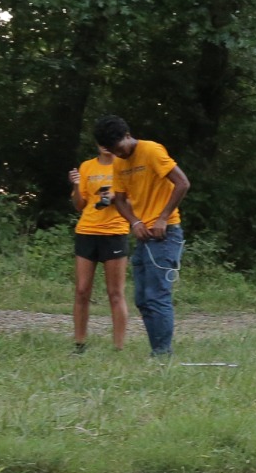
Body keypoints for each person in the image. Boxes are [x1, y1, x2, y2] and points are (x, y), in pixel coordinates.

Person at [95, 116, 191, 360]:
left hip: (165, 233)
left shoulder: (151, 150)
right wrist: (134, 222)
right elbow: (118, 198)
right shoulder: (119, 163)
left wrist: (162, 217)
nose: (119, 154)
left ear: (128, 135)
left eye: (120, 148)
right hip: (143, 236)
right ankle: (157, 352)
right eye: (113, 151)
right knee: (142, 299)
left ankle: (162, 355)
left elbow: (182, 183)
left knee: (157, 295)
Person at [67, 145, 130, 353]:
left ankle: (118, 347)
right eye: (101, 140)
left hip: (115, 233)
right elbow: (79, 204)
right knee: (82, 290)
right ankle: (79, 344)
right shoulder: (87, 167)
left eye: (109, 139)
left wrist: (114, 197)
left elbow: (136, 198)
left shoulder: (125, 166)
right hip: (87, 231)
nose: (105, 144)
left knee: (115, 293)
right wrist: (76, 186)